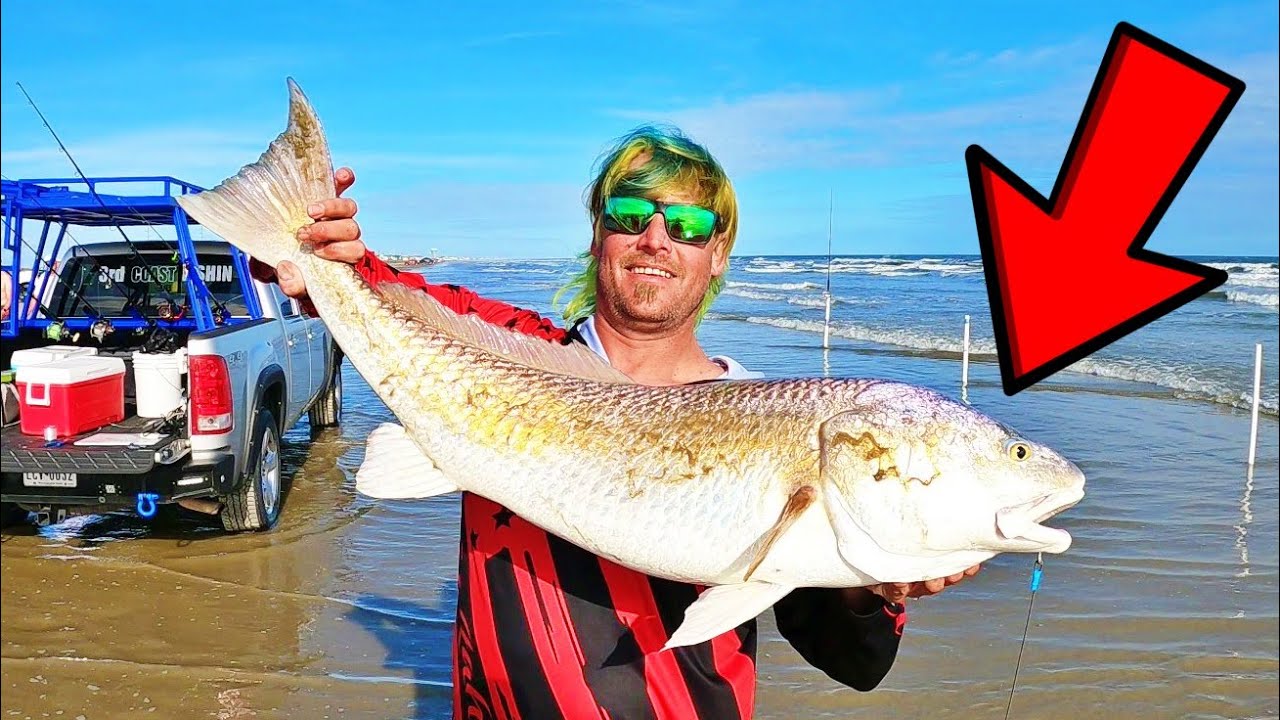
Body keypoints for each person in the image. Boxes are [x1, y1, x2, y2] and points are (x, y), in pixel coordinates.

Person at [258, 125, 981, 719]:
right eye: (632, 216)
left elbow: (855, 662)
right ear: (599, 235)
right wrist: (319, 249)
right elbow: (383, 295)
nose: (657, 239)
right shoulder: (519, 355)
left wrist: (876, 583)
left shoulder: (780, 419)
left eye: (690, 224)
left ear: (718, 253)